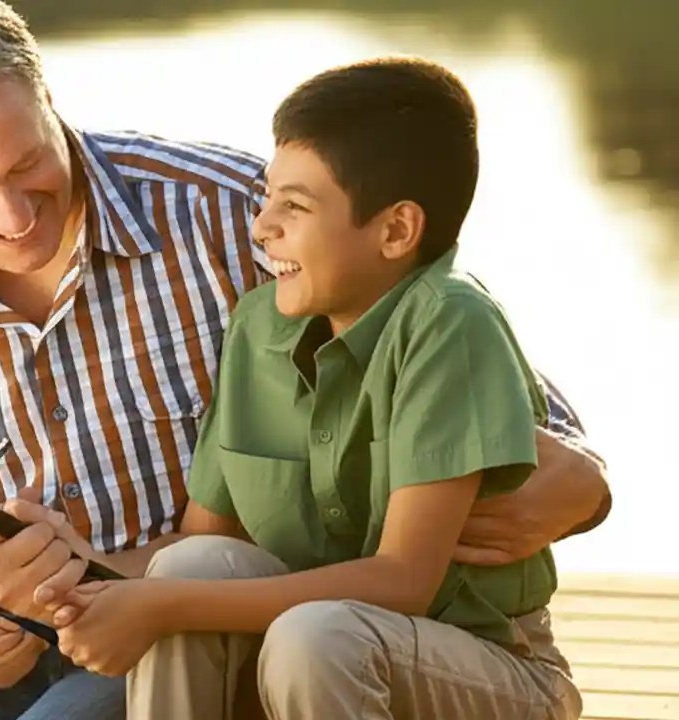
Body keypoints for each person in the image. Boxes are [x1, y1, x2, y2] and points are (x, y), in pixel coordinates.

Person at [0, 2, 610, 719]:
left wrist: (582, 477)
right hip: (8, 624)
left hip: (244, 616)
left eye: (26, 163)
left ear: (48, 105)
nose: (11, 213)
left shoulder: (229, 209)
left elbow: (453, 341)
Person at [40, 57, 584, 720]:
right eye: (268, 198)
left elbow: (403, 583)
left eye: (293, 206)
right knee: (194, 568)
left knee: (313, 634)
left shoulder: (451, 321)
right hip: (319, 658)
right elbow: (197, 549)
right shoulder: (258, 324)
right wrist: (73, 570)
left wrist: (160, 605)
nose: (261, 226)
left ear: (396, 230)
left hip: (493, 668)